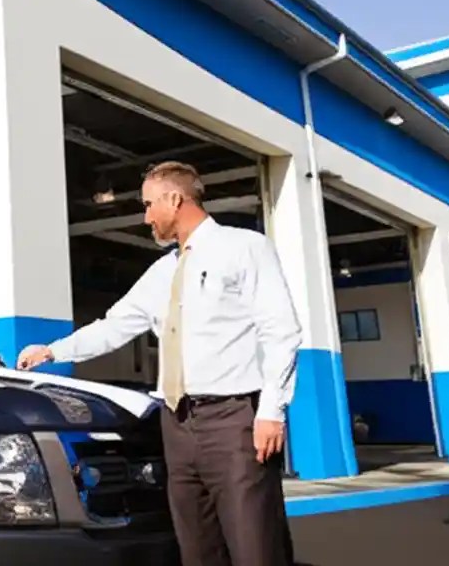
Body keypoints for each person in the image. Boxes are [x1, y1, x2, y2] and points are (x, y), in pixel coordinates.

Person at [17, 161, 301, 566]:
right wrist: (53, 350)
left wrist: (271, 411)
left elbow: (281, 330)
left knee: (256, 545)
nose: (146, 216)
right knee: (196, 547)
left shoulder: (245, 248)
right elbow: (115, 326)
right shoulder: (162, 271)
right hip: (177, 424)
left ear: (175, 198)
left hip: (233, 421)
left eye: (150, 205)